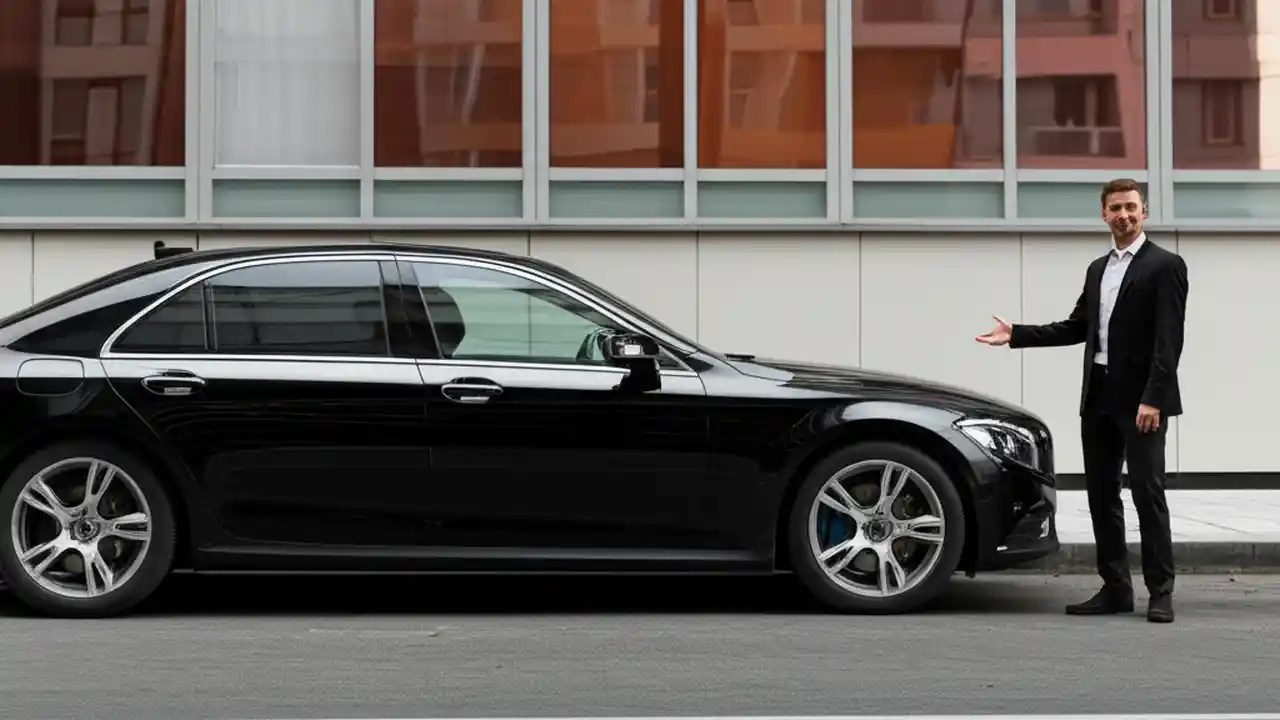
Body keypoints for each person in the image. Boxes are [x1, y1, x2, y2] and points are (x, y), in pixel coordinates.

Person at [975, 178, 1188, 624]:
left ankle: (1160, 591)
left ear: (1144, 212)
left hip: (1142, 403)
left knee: (1148, 495)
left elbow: (1168, 342)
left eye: (1131, 207)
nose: (1123, 215)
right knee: (1102, 496)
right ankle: (1115, 588)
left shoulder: (1165, 265)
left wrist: (1154, 399)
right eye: (1115, 208)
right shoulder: (1097, 269)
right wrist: (1018, 334)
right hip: (1098, 397)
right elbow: (1076, 328)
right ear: (1104, 215)